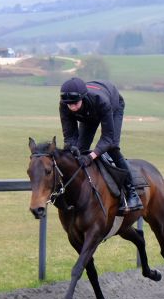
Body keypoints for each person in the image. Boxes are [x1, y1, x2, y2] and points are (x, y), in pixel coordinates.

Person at [59, 77, 143, 212]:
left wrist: (91, 156)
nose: (73, 108)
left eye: (75, 103)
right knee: (79, 150)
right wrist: (72, 151)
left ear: (83, 97)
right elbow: (70, 136)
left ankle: (132, 193)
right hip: (88, 114)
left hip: (112, 105)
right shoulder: (64, 104)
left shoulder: (101, 101)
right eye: (70, 105)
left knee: (112, 148)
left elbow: (107, 138)